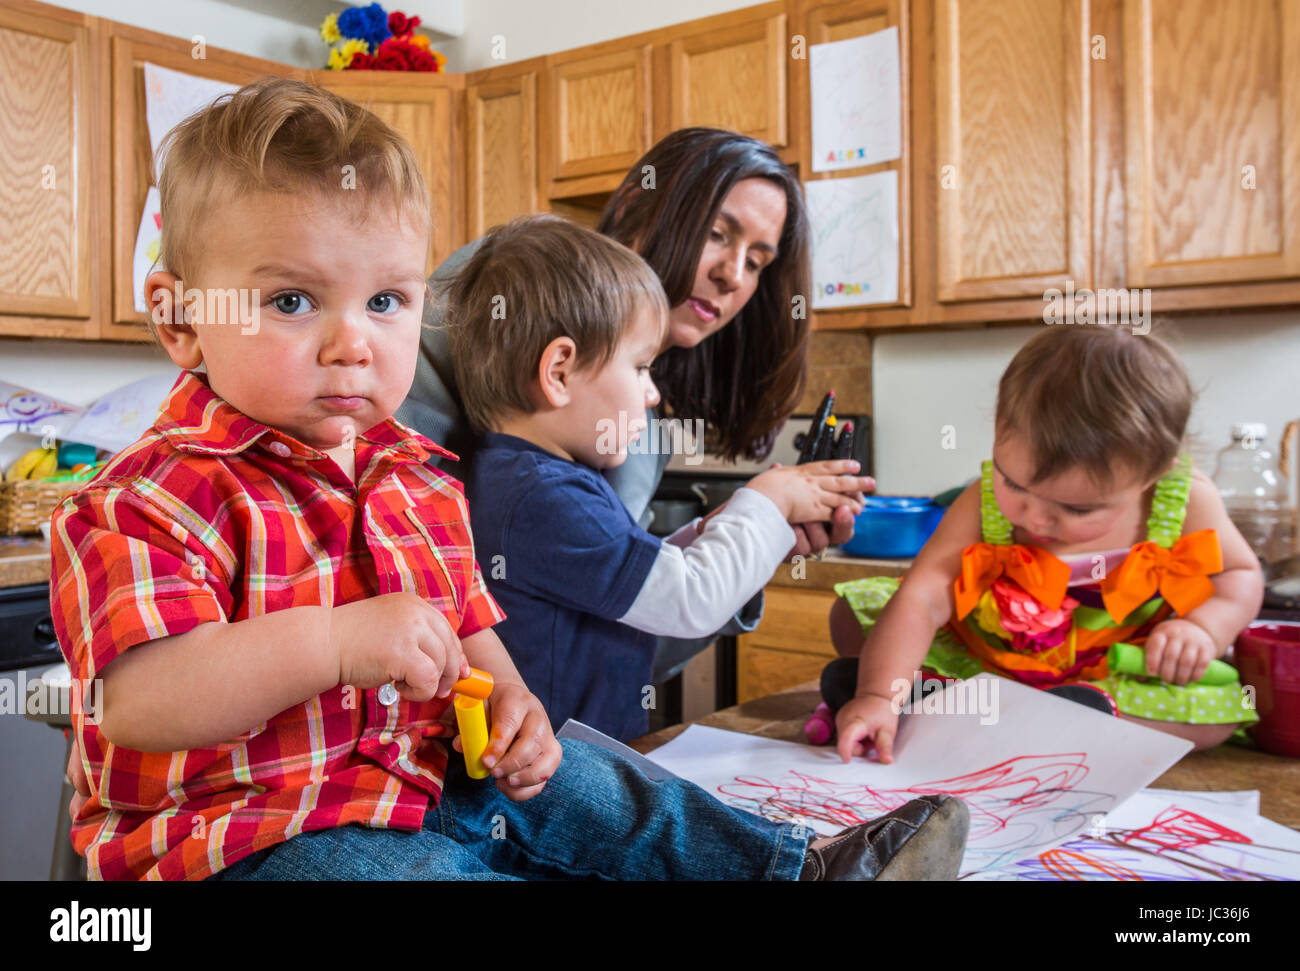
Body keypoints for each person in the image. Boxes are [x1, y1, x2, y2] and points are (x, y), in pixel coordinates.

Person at [49, 77, 970, 881]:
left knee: (596, 783)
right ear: (178, 320)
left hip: (414, 785)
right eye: (291, 300)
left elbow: (470, 624)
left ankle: (793, 869)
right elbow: (136, 699)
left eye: (386, 302)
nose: (352, 342)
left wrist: (518, 704)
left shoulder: (417, 476)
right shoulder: (147, 496)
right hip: (249, 838)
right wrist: (334, 642)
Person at [396, 128, 856, 683]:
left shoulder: (641, 423)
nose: (733, 275)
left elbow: (613, 615)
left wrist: (741, 545)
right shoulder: (514, 291)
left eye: (757, 262)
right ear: (640, 206)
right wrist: (745, 528)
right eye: (715, 233)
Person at [446, 215, 871, 741]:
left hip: (579, 764)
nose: (652, 395)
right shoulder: (544, 495)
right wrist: (768, 501)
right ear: (559, 372)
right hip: (564, 779)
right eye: (642, 367)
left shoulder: (530, 478)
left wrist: (716, 530)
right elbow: (689, 600)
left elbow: (630, 575)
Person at [822, 325, 1264, 764]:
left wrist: (1203, 628)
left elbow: (1240, 574)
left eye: (1076, 509)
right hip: (990, 663)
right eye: (1014, 483)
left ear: (1153, 474)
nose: (1034, 518)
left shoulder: (1183, 500)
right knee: (854, 613)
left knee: (1217, 718)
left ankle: (1069, 717)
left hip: (1113, 673)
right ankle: (924, 697)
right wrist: (879, 693)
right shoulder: (983, 499)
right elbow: (923, 595)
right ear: (998, 430)